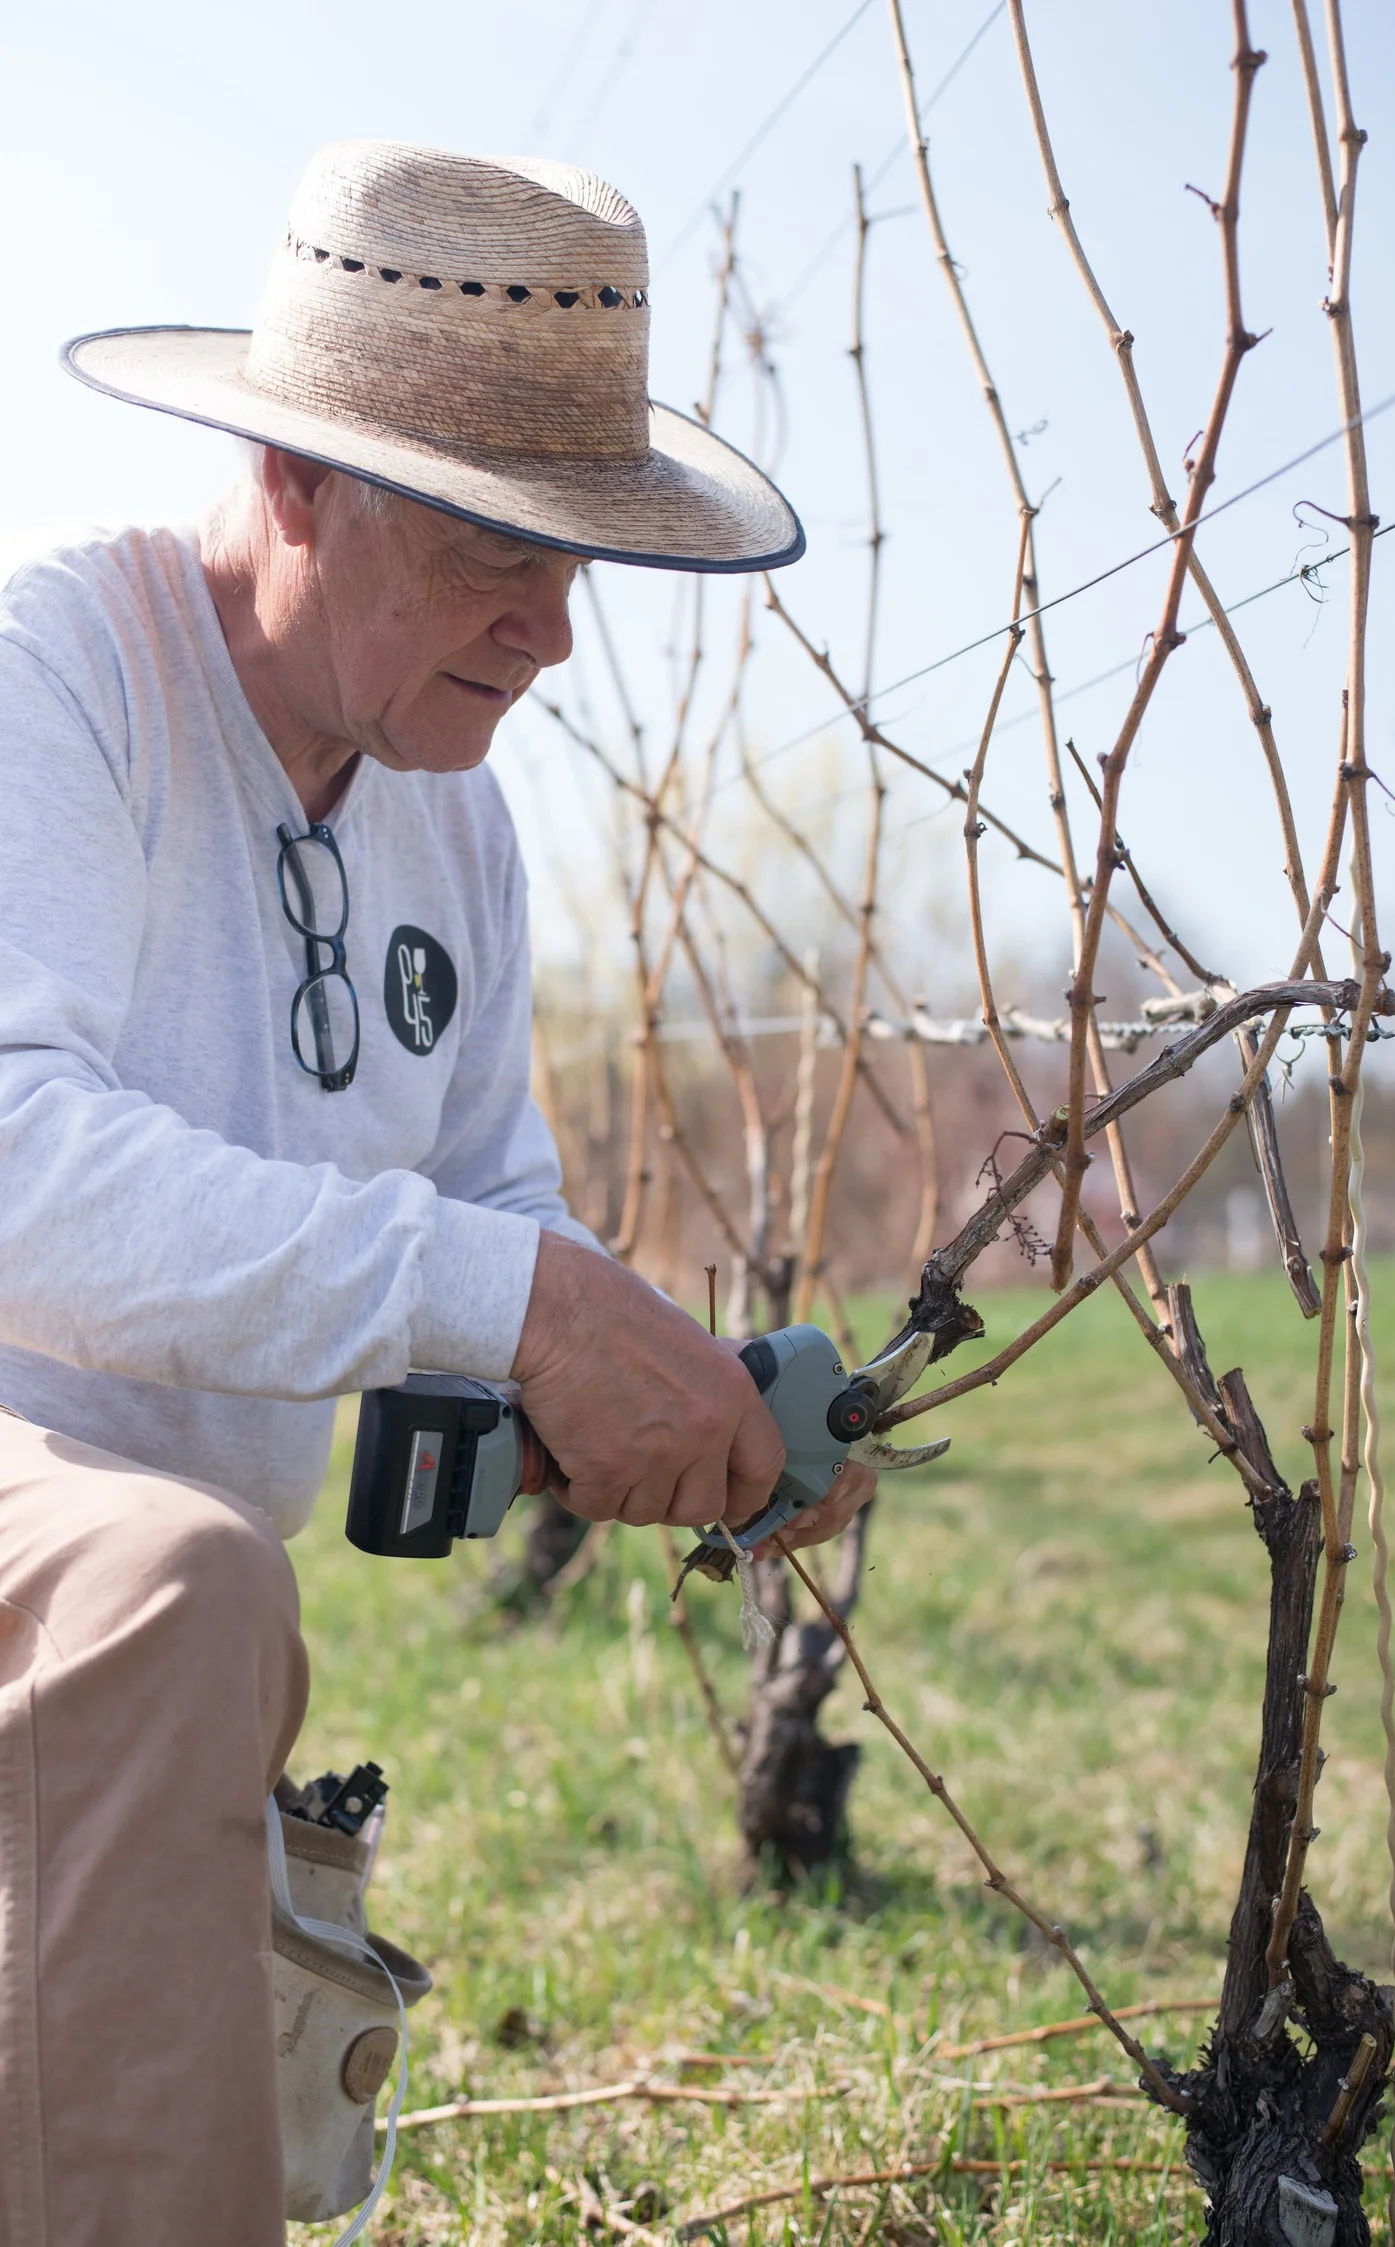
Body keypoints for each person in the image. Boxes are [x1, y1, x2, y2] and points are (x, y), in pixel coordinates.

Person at [0, 141, 873, 2246]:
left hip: (170, 1608)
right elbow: (16, 1171)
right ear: (297, 483)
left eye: (581, 561)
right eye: (504, 544)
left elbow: (499, 1236)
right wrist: (517, 1303)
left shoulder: (451, 839)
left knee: (200, 1589)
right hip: (87, 1551)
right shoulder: (58, 676)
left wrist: (675, 1402)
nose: (557, 631)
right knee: (181, 1586)